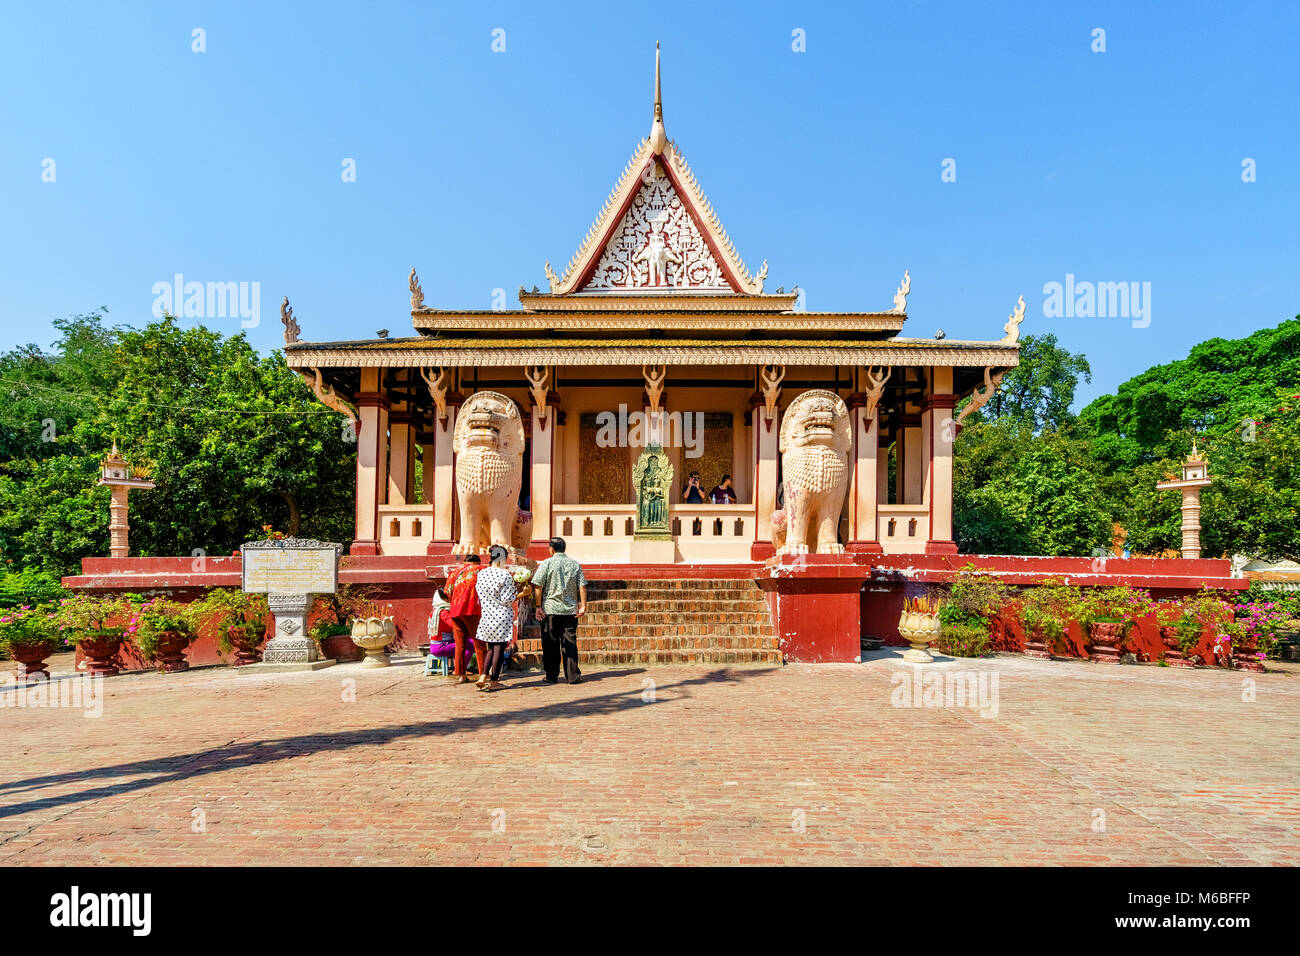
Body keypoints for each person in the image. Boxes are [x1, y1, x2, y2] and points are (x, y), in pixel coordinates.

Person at [530, 536, 587, 685]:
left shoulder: (547, 563)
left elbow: (538, 585)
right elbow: (582, 585)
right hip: (569, 610)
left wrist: (538, 606)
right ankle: (573, 676)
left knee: (550, 643)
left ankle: (551, 675)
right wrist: (583, 606)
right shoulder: (575, 564)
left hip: (550, 609)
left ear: (552, 549)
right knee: (570, 642)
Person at [474, 545, 521, 691]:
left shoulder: (481, 574)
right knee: (499, 649)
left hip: (487, 615)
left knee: (490, 648)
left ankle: (483, 675)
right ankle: (494, 680)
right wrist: (521, 593)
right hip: (501, 616)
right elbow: (507, 599)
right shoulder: (504, 575)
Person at [446, 554, 482, 684]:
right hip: (472, 609)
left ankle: (461, 675)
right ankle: (483, 673)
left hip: (455, 611)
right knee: (479, 643)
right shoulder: (479, 569)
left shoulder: (454, 572)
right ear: (477, 562)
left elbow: (447, 592)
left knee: (459, 644)